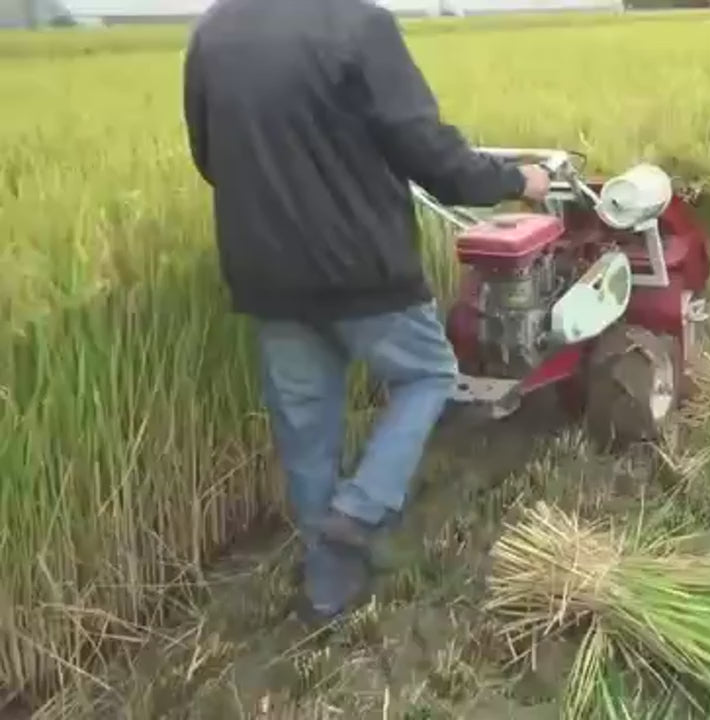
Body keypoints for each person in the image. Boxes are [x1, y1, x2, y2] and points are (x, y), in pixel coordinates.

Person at [181, 0, 550, 624]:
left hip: (267, 274)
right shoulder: (360, 25)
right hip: (361, 270)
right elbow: (432, 157)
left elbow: (210, 158)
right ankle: (362, 507)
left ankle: (328, 590)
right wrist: (518, 180)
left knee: (307, 437)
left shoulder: (212, 32)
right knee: (429, 373)